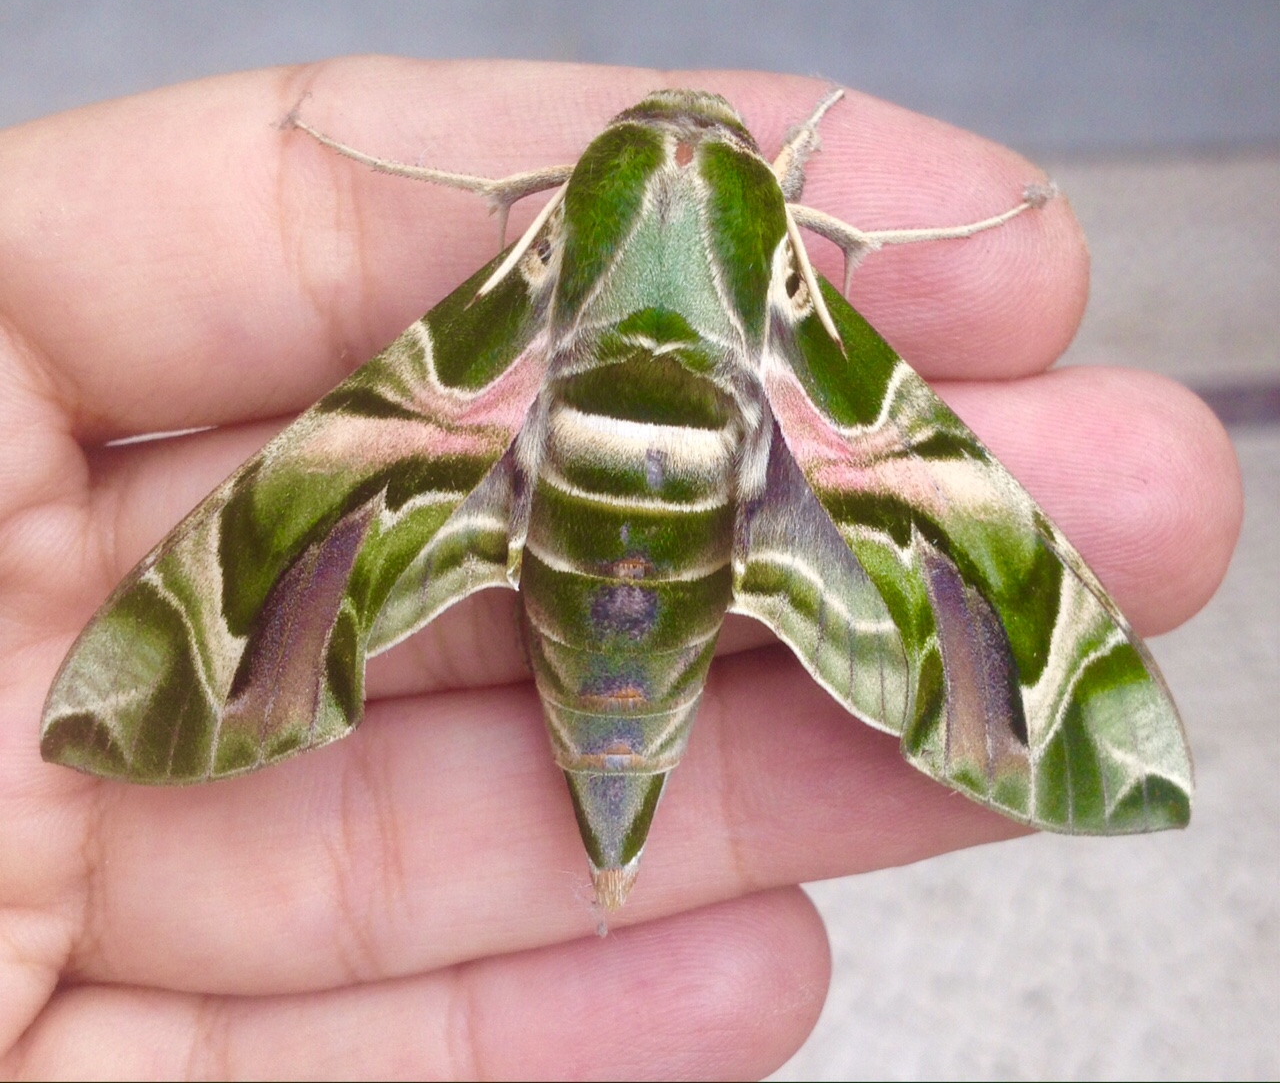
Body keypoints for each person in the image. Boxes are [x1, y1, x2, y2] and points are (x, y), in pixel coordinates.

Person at [0, 60, 1241, 1079]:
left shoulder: (522, 266)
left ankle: (165, 688)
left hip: (550, 482)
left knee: (279, 538)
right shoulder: (797, 280)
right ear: (791, 218)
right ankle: (1069, 736)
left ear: (548, 208)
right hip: (740, 486)